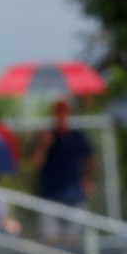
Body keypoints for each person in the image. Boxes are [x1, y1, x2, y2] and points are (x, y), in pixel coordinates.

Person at [30, 98, 92, 236]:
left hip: (74, 193)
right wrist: (43, 145)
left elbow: (89, 157)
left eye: (64, 112)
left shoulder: (77, 136)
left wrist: (88, 179)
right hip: (50, 193)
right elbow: (36, 163)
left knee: (74, 236)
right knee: (51, 236)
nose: (61, 115)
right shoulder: (45, 135)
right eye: (58, 112)